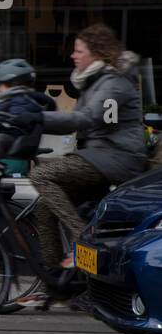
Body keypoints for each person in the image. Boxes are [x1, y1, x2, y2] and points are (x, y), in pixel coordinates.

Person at [21, 25, 146, 307]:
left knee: (41, 175)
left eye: (79, 51)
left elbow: (88, 119)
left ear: (97, 53)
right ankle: (55, 280)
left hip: (117, 158)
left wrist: (38, 118)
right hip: (98, 156)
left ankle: (83, 241)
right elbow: (80, 120)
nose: (73, 55)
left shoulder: (115, 83)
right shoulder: (95, 82)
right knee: (44, 205)